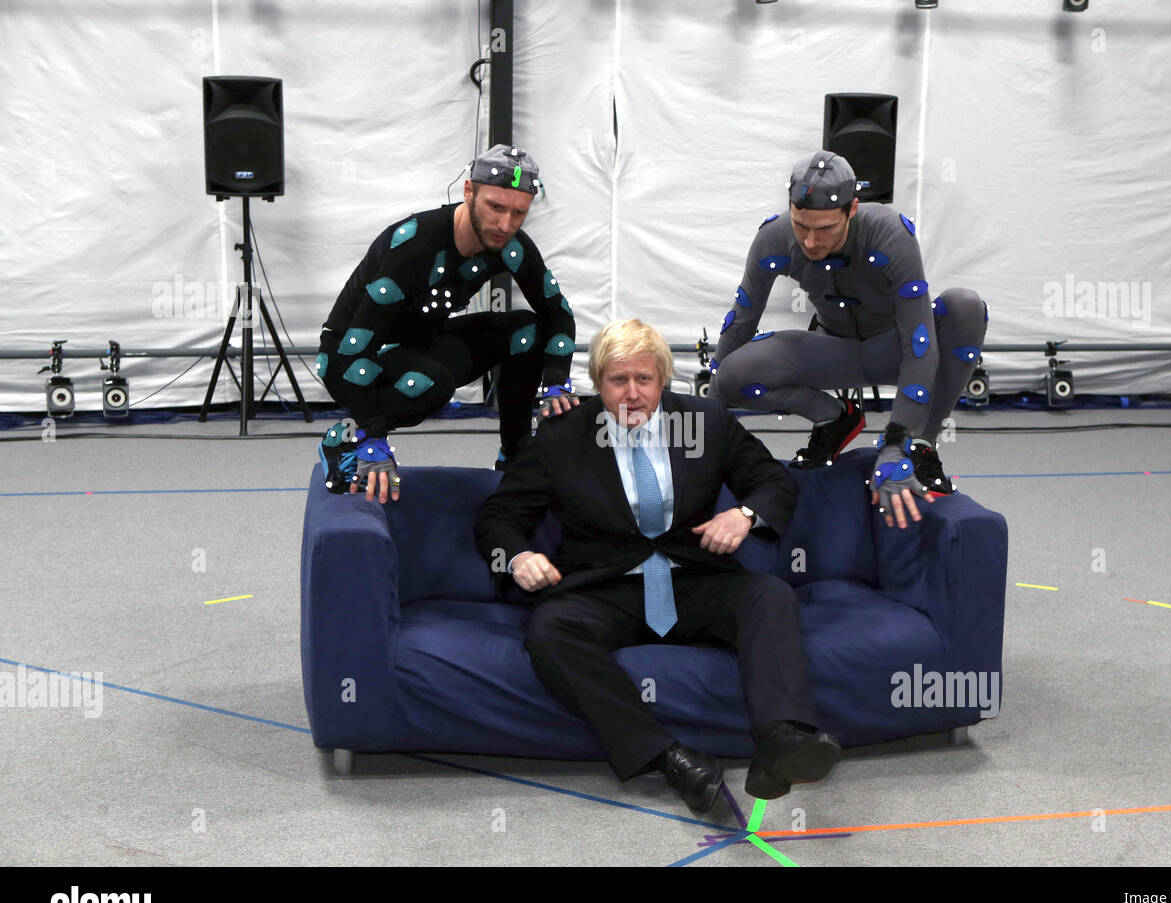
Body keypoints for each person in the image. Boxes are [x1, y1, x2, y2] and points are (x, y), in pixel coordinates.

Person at [474, 318, 840, 813]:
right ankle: (671, 759)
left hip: (693, 579)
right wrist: (517, 556)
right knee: (550, 629)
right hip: (607, 588)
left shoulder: (707, 420)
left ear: (663, 380)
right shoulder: (562, 436)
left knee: (769, 594)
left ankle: (782, 740)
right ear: (597, 382)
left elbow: (774, 481)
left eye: (643, 380)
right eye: (617, 381)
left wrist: (744, 514)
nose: (631, 394)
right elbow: (500, 514)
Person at [710, 150, 988, 529]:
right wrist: (704, 417)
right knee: (731, 376)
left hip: (893, 347)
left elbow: (918, 342)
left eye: (824, 229)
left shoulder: (889, 231)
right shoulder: (773, 237)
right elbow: (740, 321)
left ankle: (923, 445)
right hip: (832, 351)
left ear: (852, 209)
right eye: (800, 225)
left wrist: (896, 442)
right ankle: (834, 419)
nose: (809, 241)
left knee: (965, 307)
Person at [314, 144, 578, 504]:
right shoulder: (416, 244)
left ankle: (516, 456)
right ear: (469, 191)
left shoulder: (510, 245)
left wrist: (556, 382)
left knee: (527, 330)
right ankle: (345, 437)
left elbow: (557, 313)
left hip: (421, 341)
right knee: (432, 384)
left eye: (519, 213)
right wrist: (372, 434)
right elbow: (355, 348)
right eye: (496, 207)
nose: (506, 224)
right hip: (351, 357)